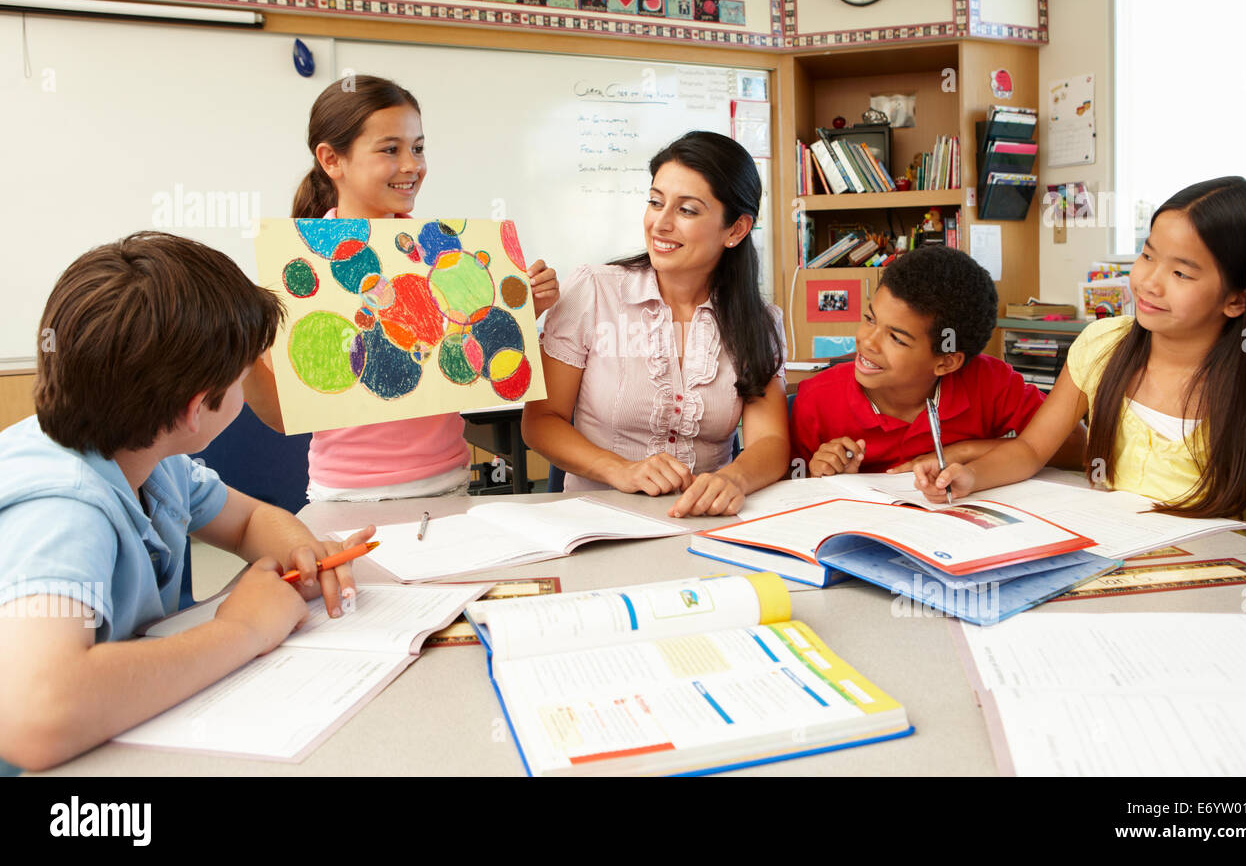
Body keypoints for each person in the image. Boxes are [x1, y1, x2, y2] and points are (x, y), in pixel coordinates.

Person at [0, 233, 376, 771]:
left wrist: (303, 551)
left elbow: (248, 521)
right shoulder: (61, 508)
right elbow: (32, 717)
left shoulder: (149, 456)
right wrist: (240, 631)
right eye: (245, 376)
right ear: (195, 409)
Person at [914, 177, 1246, 559]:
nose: (1149, 282)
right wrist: (972, 477)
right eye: (1147, 255)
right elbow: (1032, 448)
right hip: (1108, 558)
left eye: (1180, 273)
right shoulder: (1102, 345)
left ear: (1236, 299)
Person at [243, 76, 558, 500]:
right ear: (331, 160)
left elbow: (467, 352)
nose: (412, 164)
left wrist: (524, 309)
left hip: (449, 482)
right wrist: (241, 352)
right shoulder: (296, 266)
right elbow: (284, 417)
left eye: (419, 147)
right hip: (346, 495)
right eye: (390, 150)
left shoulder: (445, 252)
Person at [521, 131, 789, 517]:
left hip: (703, 523)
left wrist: (733, 479)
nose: (659, 224)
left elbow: (772, 441)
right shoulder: (593, 291)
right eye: (655, 202)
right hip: (596, 519)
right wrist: (621, 470)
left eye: (687, 210)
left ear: (736, 230)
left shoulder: (759, 323)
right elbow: (541, 422)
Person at [791, 245, 1083, 477]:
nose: (867, 342)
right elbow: (789, 489)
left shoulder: (990, 382)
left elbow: (1078, 450)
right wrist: (822, 472)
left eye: (897, 338)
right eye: (870, 319)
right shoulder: (817, 399)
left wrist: (965, 452)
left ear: (946, 363)